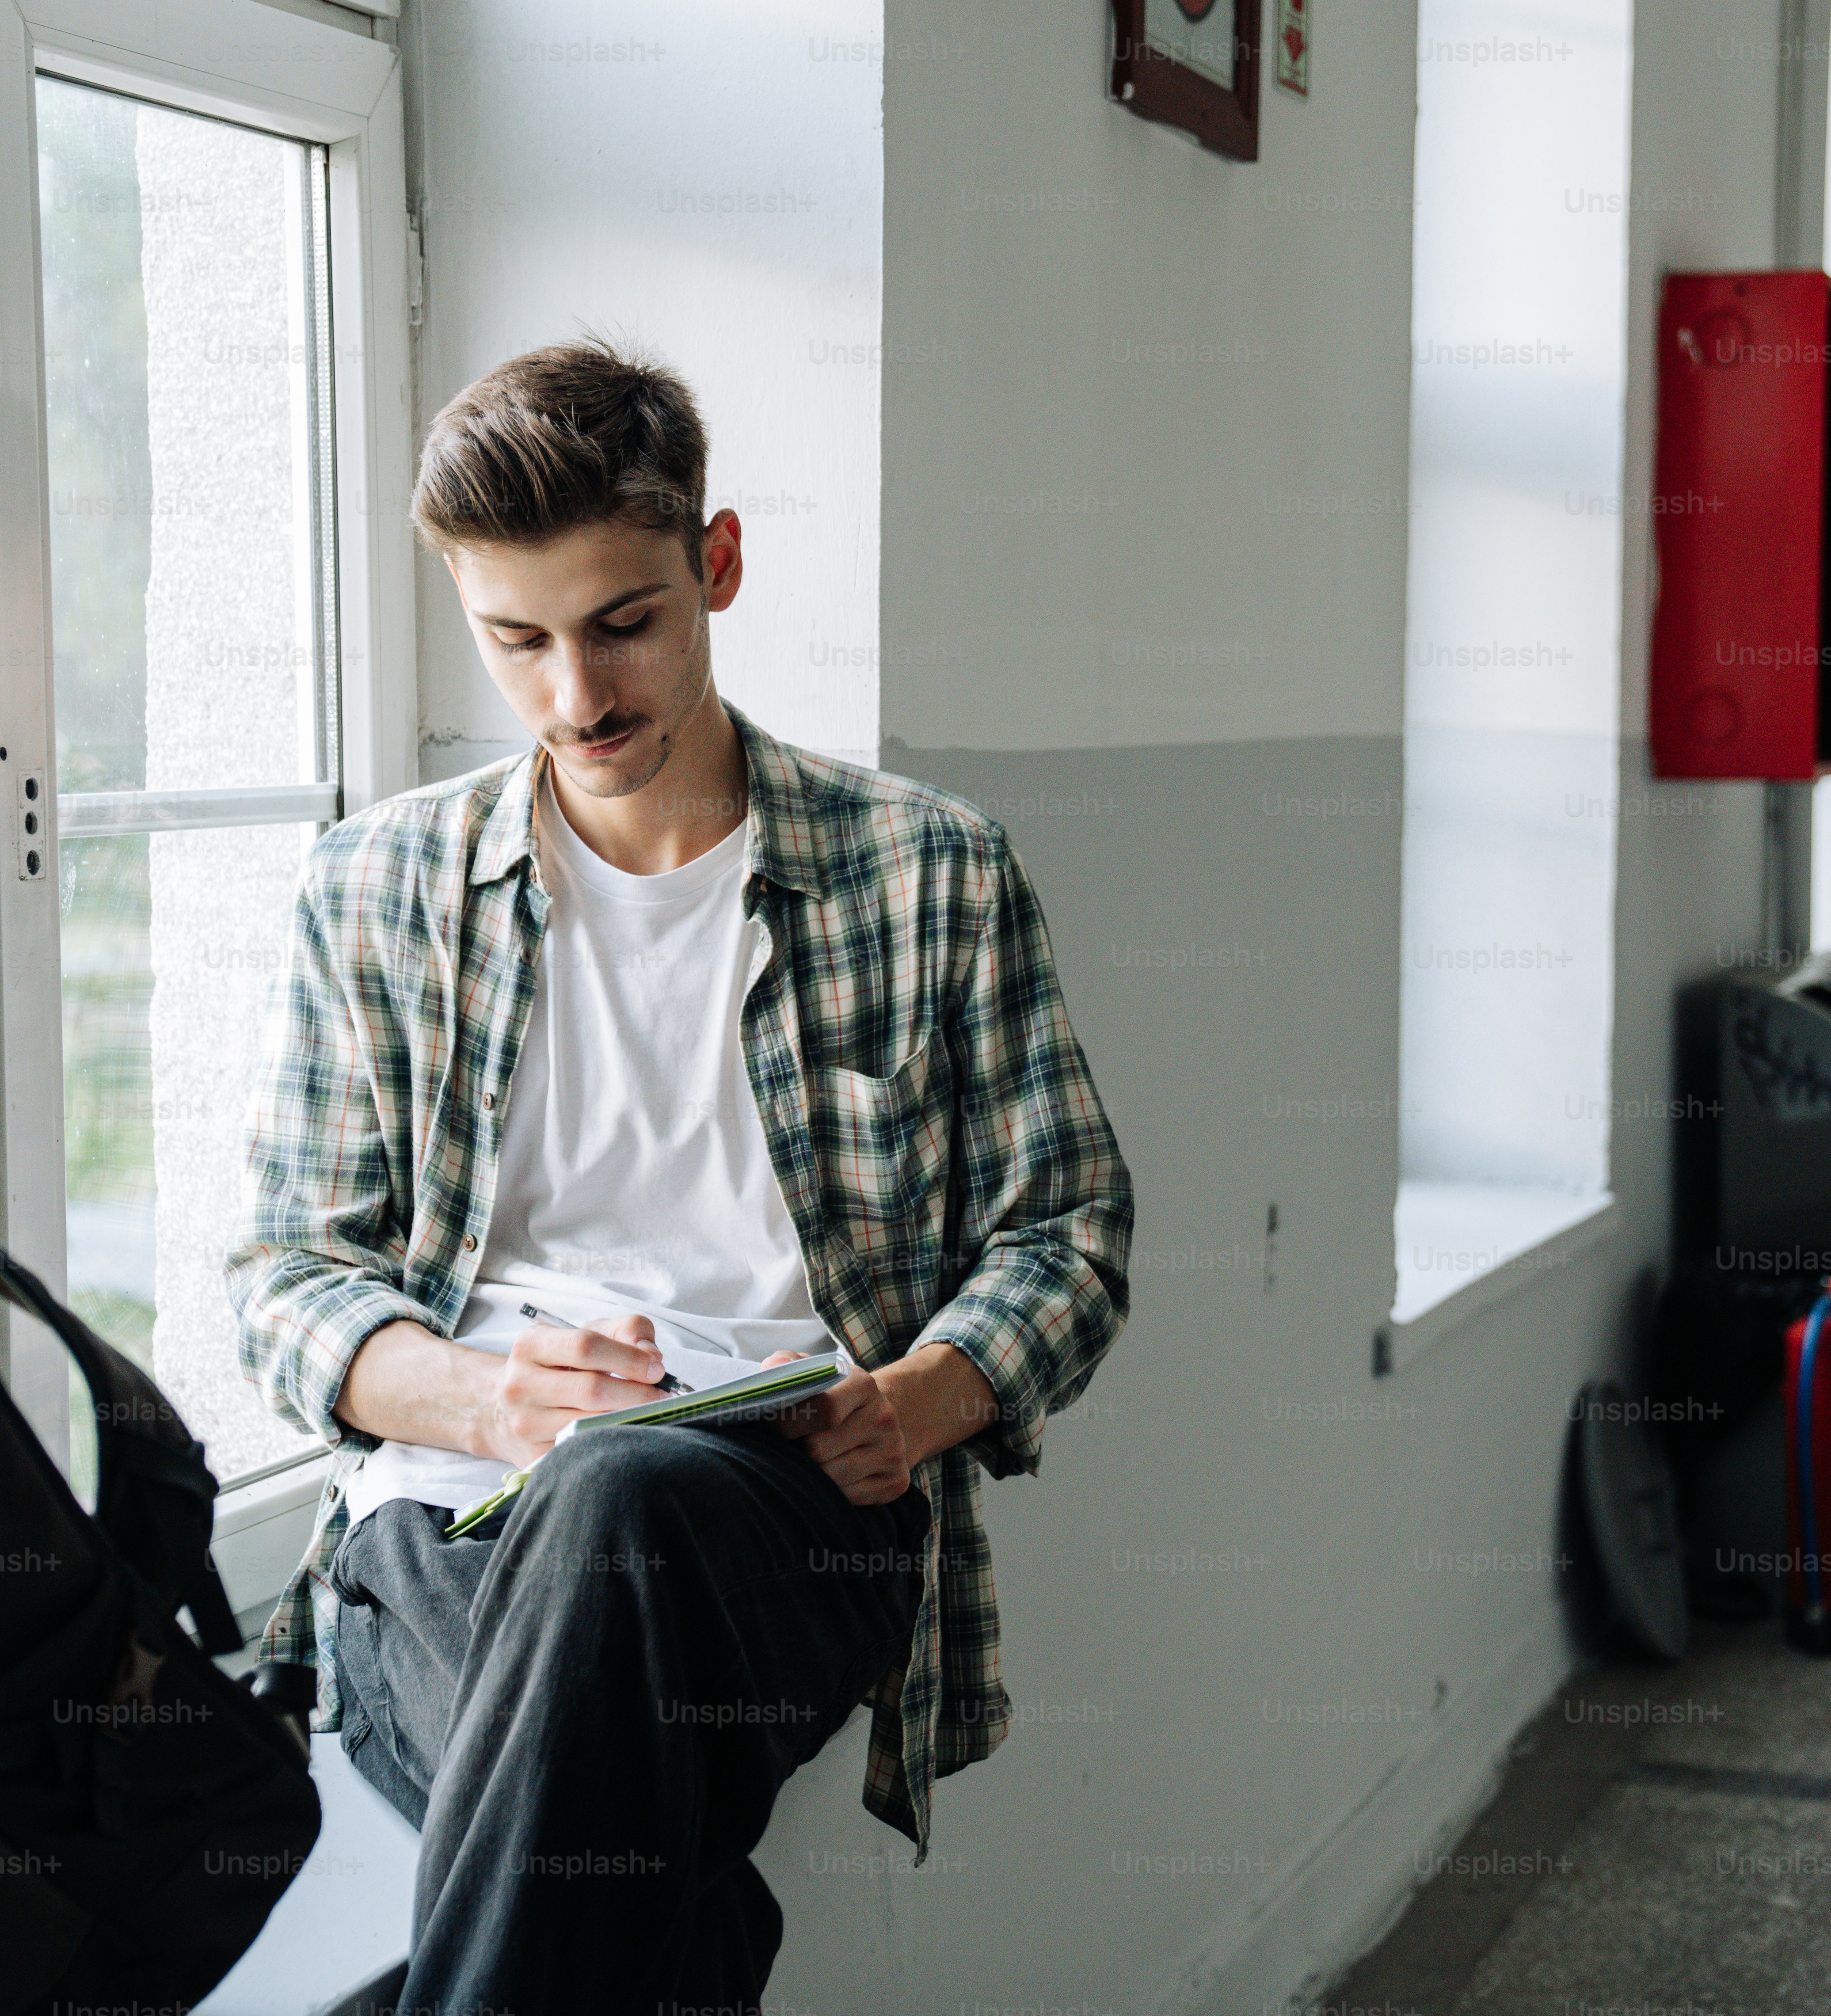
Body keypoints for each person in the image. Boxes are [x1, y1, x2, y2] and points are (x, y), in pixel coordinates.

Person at [225, 335, 1133, 2014]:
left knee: (622, 1498)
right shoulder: (377, 889)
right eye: (518, 642)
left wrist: (924, 1396)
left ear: (715, 566)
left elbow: (1071, 1230)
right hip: (445, 1523)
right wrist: (486, 1397)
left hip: (780, 1524)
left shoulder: (925, 871)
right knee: (657, 1894)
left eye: (624, 622)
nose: (579, 696)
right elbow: (281, 1273)